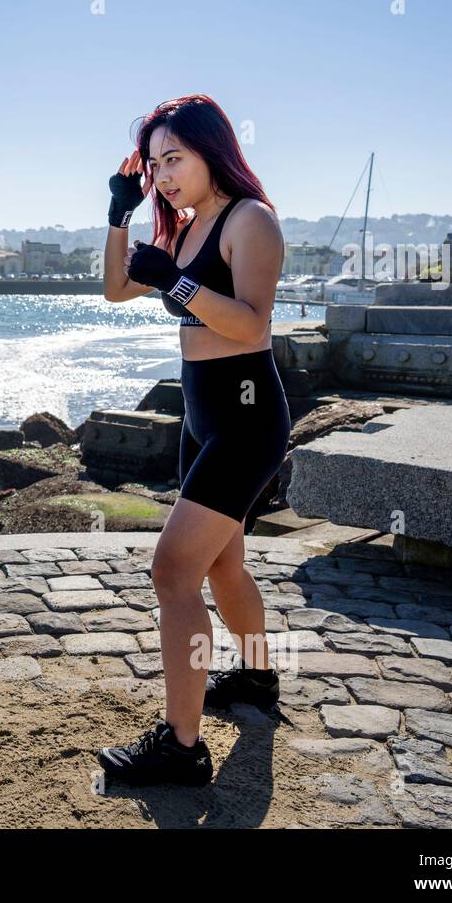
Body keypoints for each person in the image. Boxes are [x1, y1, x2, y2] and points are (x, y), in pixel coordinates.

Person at [96, 95, 291, 787]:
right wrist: (120, 214)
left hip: (245, 415)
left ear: (214, 150)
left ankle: (181, 748)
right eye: (154, 165)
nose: (165, 175)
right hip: (202, 415)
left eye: (174, 158)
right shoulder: (182, 227)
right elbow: (118, 289)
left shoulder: (250, 220)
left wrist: (176, 282)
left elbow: (251, 326)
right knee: (222, 568)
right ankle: (259, 683)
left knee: (172, 572)